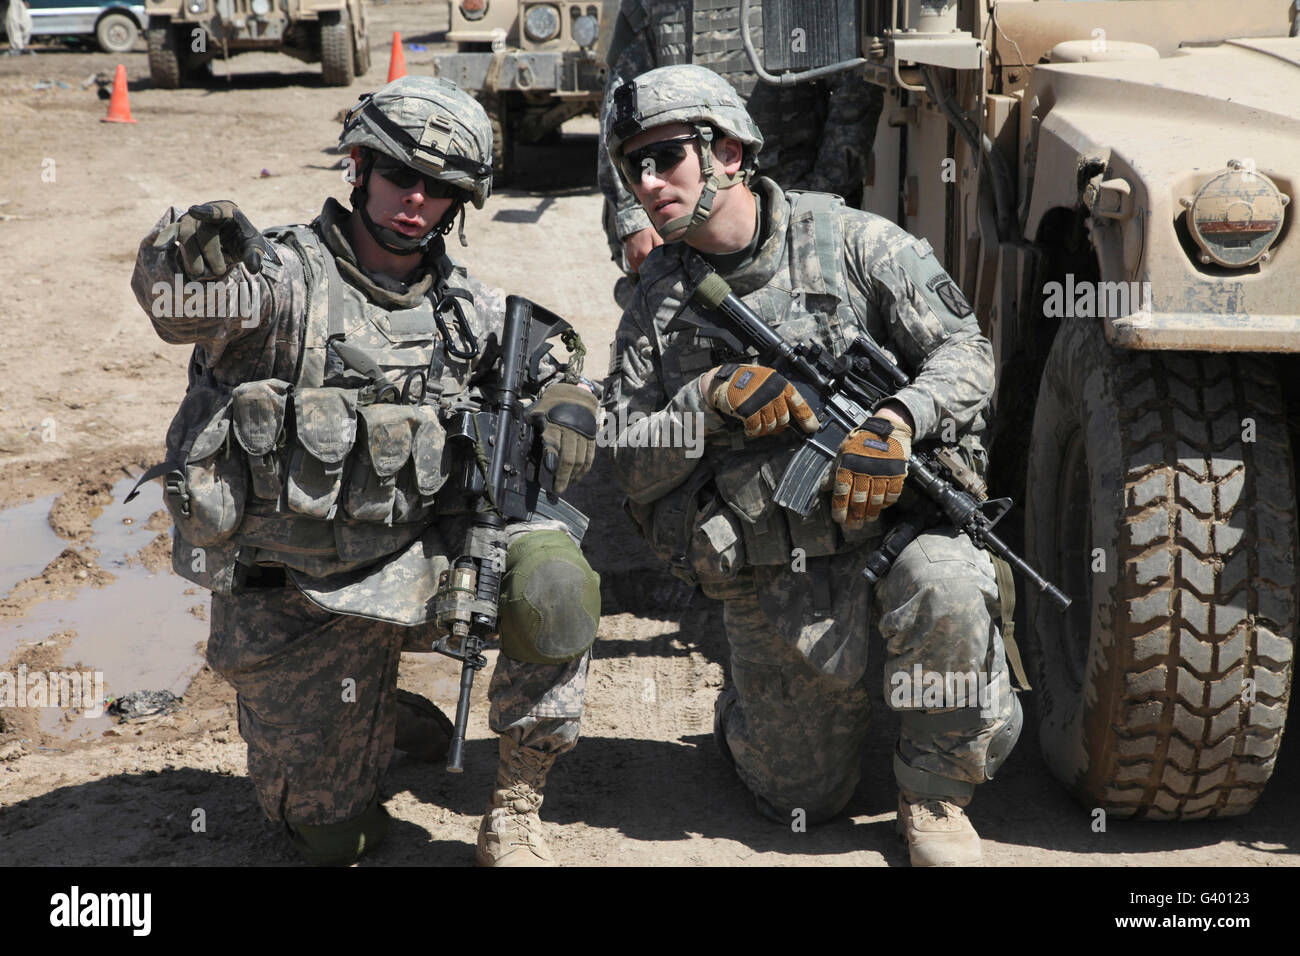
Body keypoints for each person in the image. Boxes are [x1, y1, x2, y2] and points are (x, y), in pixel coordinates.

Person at [129, 76, 602, 867]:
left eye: (442, 189)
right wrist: (182, 259)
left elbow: (560, 364)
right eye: (400, 176)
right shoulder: (281, 280)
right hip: (296, 594)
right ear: (359, 166)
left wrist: (569, 405)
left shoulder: (465, 309)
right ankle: (376, 710)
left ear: (462, 204)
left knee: (554, 581)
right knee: (332, 838)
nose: (416, 200)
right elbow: (178, 305)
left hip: (416, 563)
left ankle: (517, 804)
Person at [601, 64, 1020, 866]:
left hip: (895, 529)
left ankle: (935, 790)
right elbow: (624, 457)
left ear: (727, 151)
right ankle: (755, 709)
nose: (649, 184)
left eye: (666, 159)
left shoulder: (854, 243)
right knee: (799, 799)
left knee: (952, 583)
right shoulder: (657, 300)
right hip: (776, 556)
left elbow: (967, 355)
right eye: (634, 167)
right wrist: (712, 399)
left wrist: (896, 422)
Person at [596, 0, 883, 306]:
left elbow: (853, 88)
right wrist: (633, 217)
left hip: (795, 197)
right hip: (684, 221)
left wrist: (822, 191)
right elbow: (622, 107)